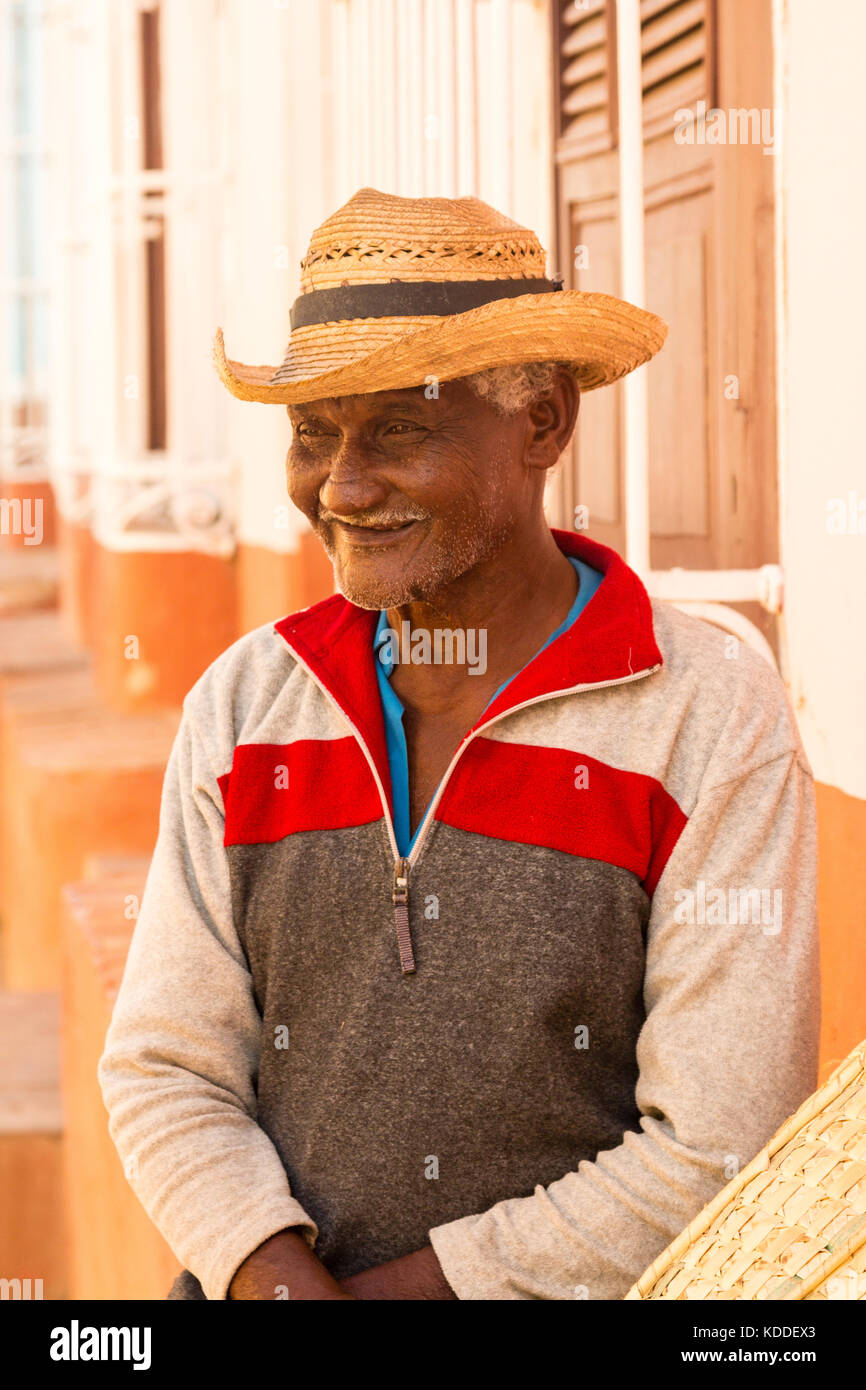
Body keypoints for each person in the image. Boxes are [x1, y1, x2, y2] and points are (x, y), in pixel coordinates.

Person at [98, 187, 819, 1300]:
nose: (339, 485)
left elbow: (717, 1143)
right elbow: (163, 1066)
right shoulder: (245, 706)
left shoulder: (707, 713)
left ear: (542, 421)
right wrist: (271, 1275)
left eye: (397, 425)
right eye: (311, 432)